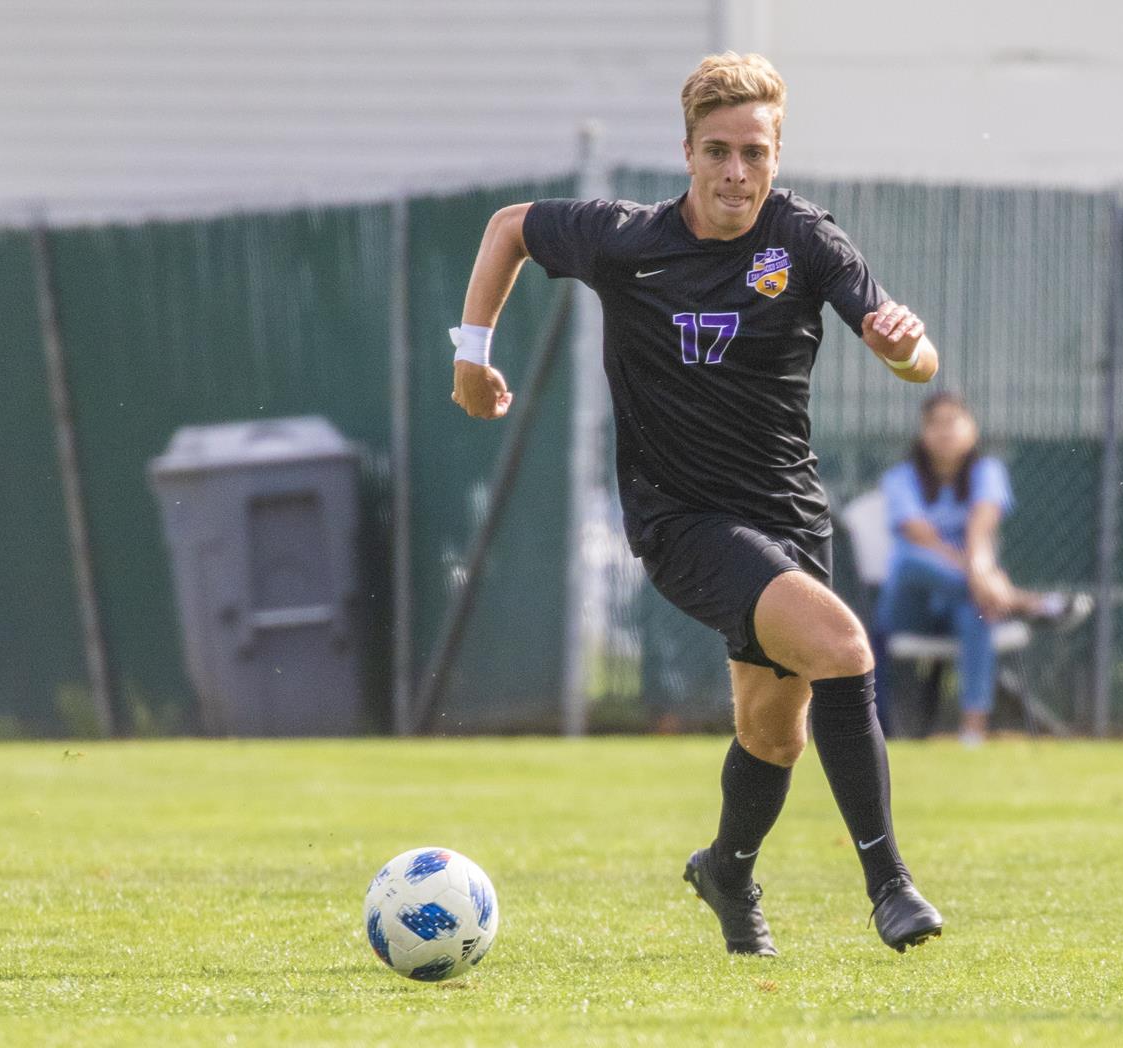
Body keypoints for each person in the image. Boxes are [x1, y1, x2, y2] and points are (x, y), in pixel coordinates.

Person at [449, 52, 942, 957]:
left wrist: (905, 348)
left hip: (790, 516)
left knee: (774, 729)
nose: (736, 173)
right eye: (718, 151)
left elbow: (911, 355)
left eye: (755, 153)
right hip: (681, 520)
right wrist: (470, 354)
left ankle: (726, 868)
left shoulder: (802, 238)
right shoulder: (627, 240)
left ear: (777, 157)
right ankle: (890, 887)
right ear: (687, 153)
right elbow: (508, 227)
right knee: (843, 649)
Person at [876, 392, 1090, 746]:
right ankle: (1026, 603)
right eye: (935, 424)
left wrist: (980, 572)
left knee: (976, 609)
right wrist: (986, 579)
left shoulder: (987, 472)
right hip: (909, 605)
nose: (944, 432)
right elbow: (922, 537)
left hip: (968, 596)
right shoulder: (901, 478)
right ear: (923, 433)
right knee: (910, 561)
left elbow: (981, 528)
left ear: (972, 430)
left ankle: (972, 731)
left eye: (953, 422)